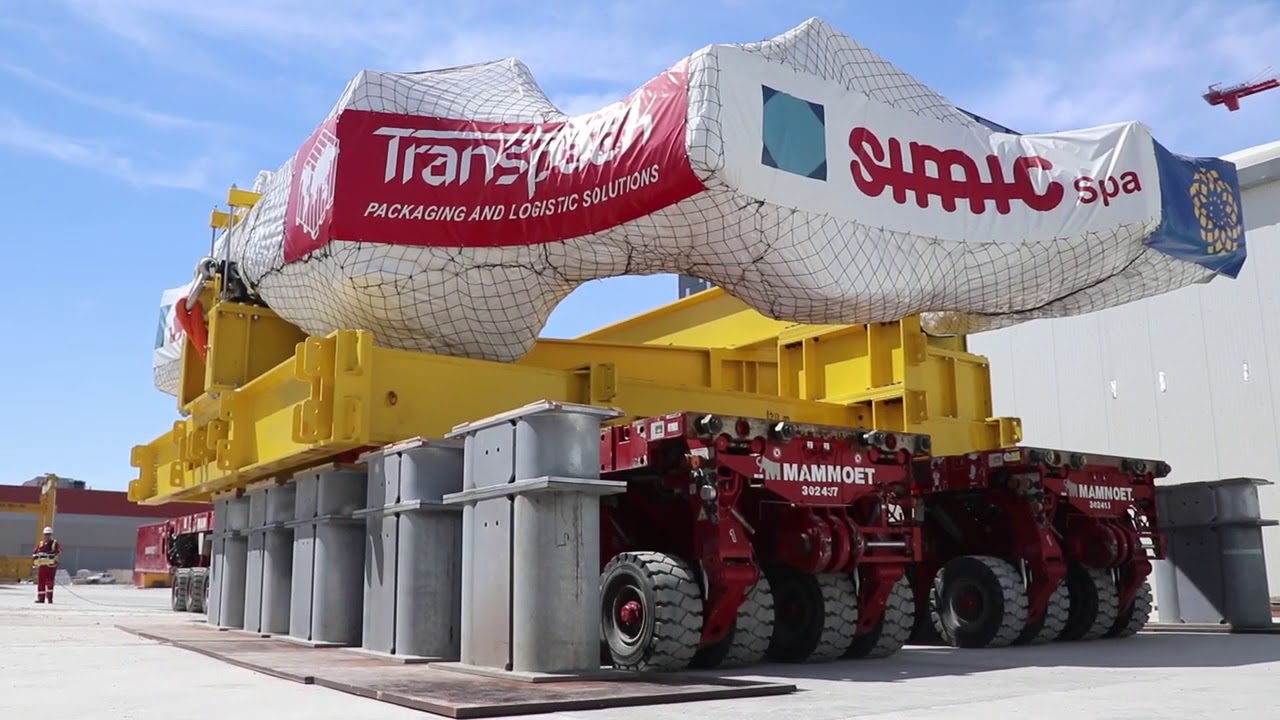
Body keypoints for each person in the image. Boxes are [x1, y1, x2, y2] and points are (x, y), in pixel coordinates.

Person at [32, 527, 61, 604]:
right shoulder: (41, 544)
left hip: (51, 566)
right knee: (41, 582)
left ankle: (50, 598)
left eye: (48, 534)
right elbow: (34, 552)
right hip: (42, 566)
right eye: (45, 534)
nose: (47, 536)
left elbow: (58, 551)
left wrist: (50, 553)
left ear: (51, 535)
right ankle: (41, 598)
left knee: (50, 582)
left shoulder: (54, 543)